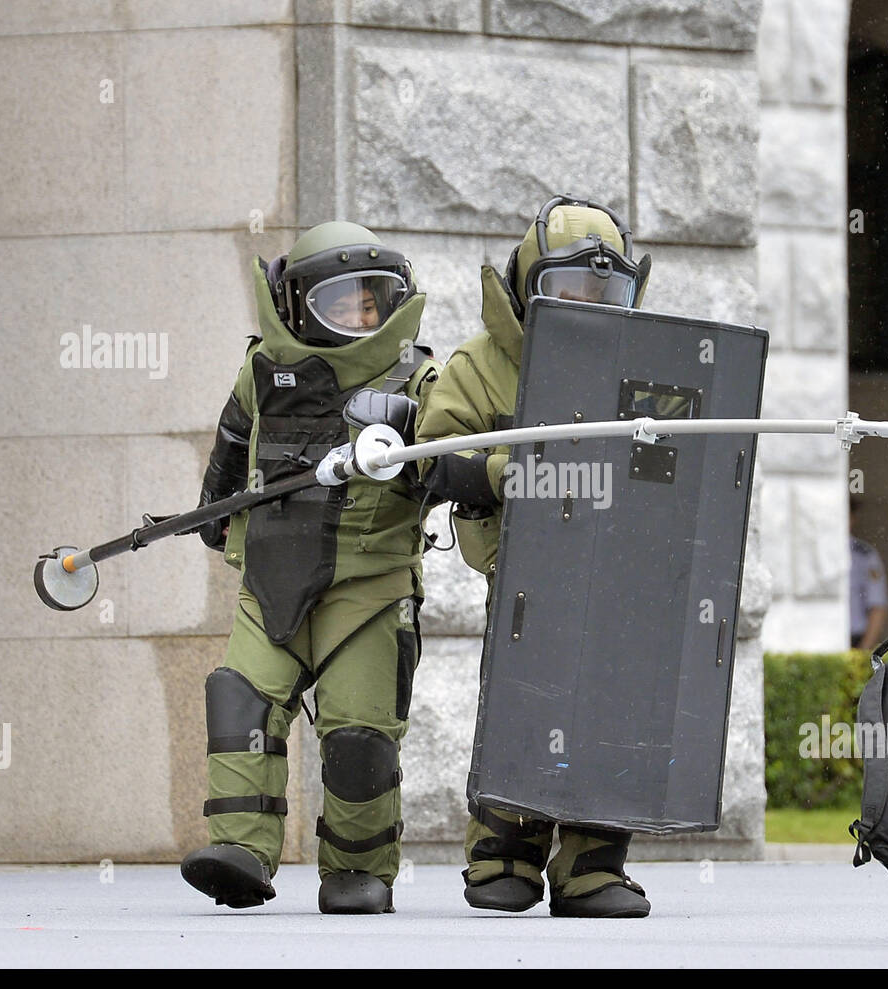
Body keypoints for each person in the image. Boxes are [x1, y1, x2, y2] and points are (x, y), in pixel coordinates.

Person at [180, 222, 438, 913]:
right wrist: (214, 505)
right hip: (270, 581)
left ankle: (359, 870)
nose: (360, 315)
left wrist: (454, 466)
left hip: (370, 589)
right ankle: (240, 848)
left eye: (372, 301)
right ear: (296, 305)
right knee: (241, 703)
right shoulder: (261, 371)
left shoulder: (418, 378)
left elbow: (450, 447)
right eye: (340, 302)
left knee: (359, 736)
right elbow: (234, 441)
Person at [413, 195, 653, 918]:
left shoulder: (641, 360)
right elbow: (430, 459)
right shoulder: (481, 366)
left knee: (610, 710)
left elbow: (682, 445)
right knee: (524, 708)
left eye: (605, 292)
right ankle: (503, 857)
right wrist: (500, 473)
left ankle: (592, 865)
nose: (586, 304)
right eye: (567, 287)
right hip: (523, 575)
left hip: (616, 574)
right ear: (527, 288)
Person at [848, 495, 888, 650]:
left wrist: (863, 653)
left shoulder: (864, 555)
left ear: (851, 519)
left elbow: (877, 607)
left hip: (854, 639)